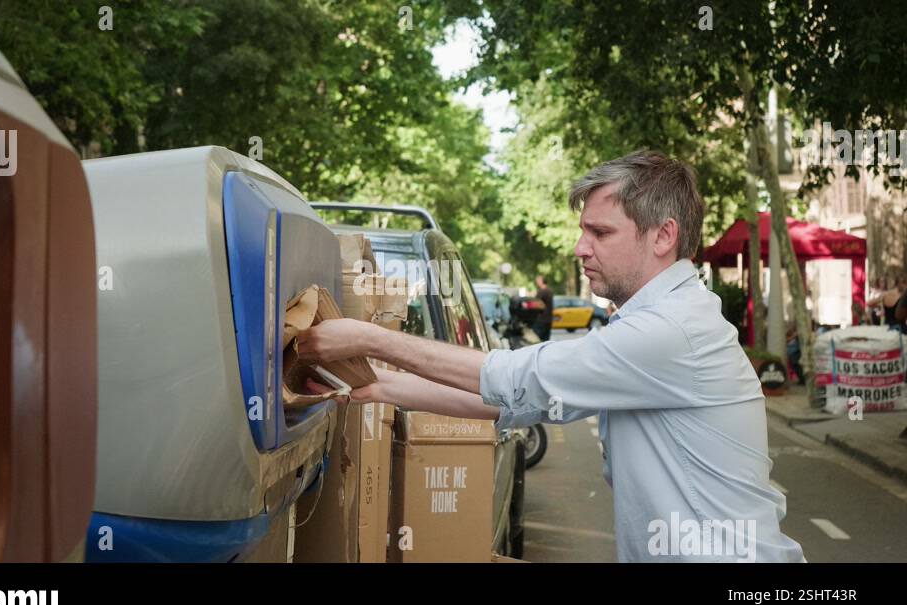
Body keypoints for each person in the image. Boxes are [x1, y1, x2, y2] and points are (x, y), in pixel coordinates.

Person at [298, 150, 804, 563]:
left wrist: (371, 339)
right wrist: (379, 388)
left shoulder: (671, 330)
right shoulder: (658, 320)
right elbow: (513, 403)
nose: (580, 248)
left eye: (601, 233)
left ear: (663, 236)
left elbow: (519, 377)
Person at [531, 275, 554, 341]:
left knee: (536, 339)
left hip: (541, 318)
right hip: (549, 319)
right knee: (546, 339)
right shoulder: (550, 290)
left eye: (537, 281)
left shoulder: (542, 291)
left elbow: (536, 303)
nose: (536, 282)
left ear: (541, 281)